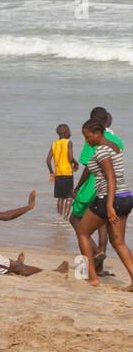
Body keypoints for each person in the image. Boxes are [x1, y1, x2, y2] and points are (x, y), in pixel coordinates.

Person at [74, 118, 133, 289]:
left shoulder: (101, 151)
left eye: (88, 137)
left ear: (97, 133)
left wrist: (108, 206)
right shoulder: (115, 147)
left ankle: (92, 277)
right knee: (118, 242)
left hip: (109, 199)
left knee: (82, 232)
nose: (86, 140)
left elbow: (111, 178)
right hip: (126, 197)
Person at [71, 107, 121, 273]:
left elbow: (88, 167)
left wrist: (78, 187)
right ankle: (100, 263)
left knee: (75, 220)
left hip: (92, 187)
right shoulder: (116, 140)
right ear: (107, 120)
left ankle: (95, 253)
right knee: (102, 224)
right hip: (111, 189)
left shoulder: (91, 139)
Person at [46, 124, 75, 219]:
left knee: (60, 198)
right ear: (66, 132)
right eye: (69, 130)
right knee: (69, 197)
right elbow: (70, 158)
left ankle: (59, 216)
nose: (70, 132)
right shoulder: (68, 142)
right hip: (67, 173)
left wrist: (51, 172)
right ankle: (65, 218)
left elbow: (48, 160)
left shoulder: (54, 144)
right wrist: (76, 163)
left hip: (58, 174)